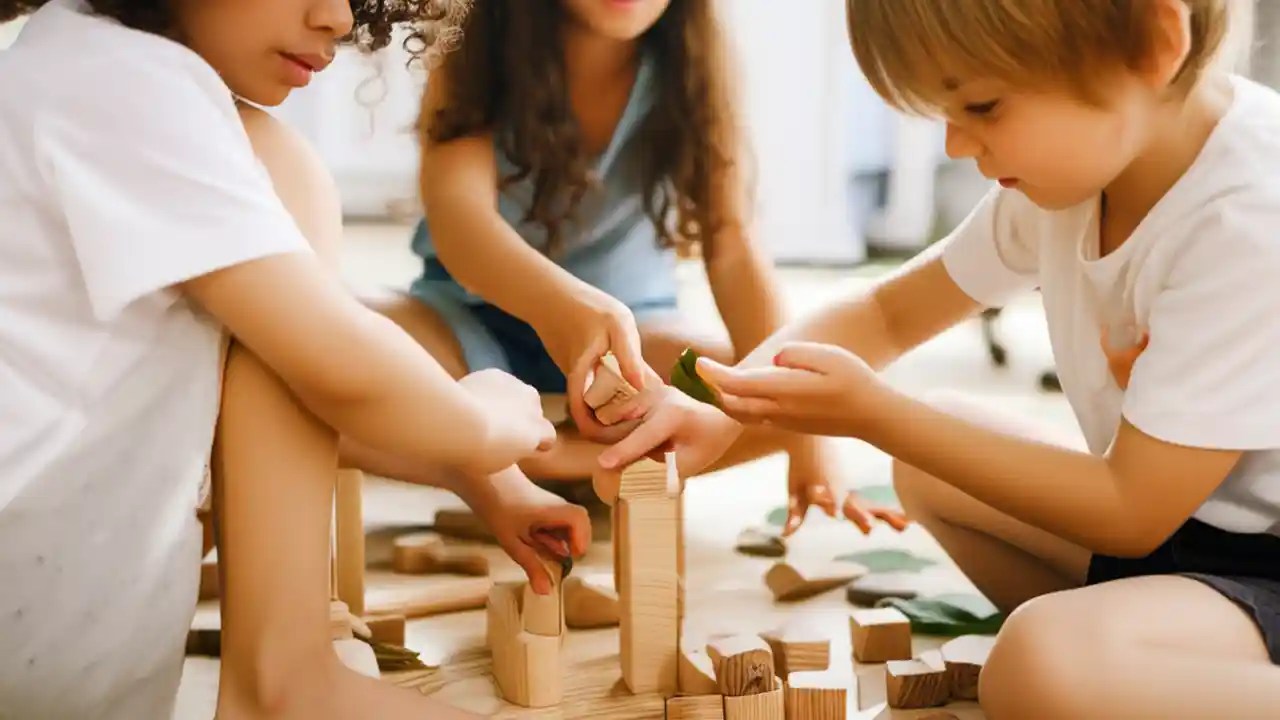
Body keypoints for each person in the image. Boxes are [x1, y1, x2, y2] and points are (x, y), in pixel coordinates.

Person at [602, 0, 1280, 717]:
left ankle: (1139, 665)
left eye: (983, 106)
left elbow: (1129, 510)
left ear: (1152, 42)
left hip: (1252, 561)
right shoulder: (1085, 170)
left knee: (1036, 668)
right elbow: (887, 313)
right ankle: (1148, 662)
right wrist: (722, 406)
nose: (957, 144)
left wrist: (875, 416)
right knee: (931, 461)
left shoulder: (1247, 217)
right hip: (1192, 540)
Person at [0, 1, 586, 718]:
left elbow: (272, 391)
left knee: (283, 171)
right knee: (289, 176)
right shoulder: (118, 82)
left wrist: (476, 474)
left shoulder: (91, 72)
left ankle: (289, 677)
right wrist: (480, 423)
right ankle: (289, 678)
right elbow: (336, 368)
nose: (339, 18)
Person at [342, 0, 908, 536]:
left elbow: (731, 246)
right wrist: (566, 310)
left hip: (633, 339)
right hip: (467, 319)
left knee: (771, 384)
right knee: (317, 342)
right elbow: (463, 229)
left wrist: (806, 436)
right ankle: (571, 466)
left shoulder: (694, 64)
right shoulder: (472, 43)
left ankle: (537, 463)